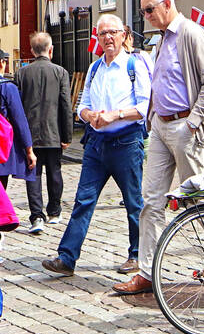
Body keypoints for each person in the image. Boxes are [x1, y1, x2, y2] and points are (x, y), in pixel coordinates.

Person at [113, 0, 204, 296]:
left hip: (184, 126)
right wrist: (150, 119)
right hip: (161, 127)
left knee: (198, 199)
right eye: (143, 11)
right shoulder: (162, 40)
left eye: (149, 10)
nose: (145, 16)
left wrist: (194, 121)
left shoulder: (190, 33)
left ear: (167, 4)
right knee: (151, 201)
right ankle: (147, 272)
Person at [41, 14, 149, 278]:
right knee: (83, 200)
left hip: (126, 142)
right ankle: (67, 258)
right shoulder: (95, 68)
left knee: (134, 202)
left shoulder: (134, 65)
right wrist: (88, 116)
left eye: (113, 32)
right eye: (103, 34)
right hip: (96, 144)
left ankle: (137, 255)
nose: (108, 38)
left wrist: (115, 115)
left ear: (123, 35)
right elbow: (82, 105)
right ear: (97, 38)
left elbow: (146, 107)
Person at [0, 47, 34, 263]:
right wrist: (29, 149)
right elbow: (19, 119)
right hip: (0, 151)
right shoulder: (7, 87)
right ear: (1, 63)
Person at [16, 32, 72, 230]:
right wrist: (67, 135)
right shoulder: (60, 72)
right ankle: (54, 211)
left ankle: (36, 216)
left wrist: (19, 135)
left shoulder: (22, 73)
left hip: (29, 134)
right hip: (54, 132)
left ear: (32, 51)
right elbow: (65, 105)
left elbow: (18, 106)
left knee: (34, 174)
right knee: (55, 172)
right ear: (51, 49)